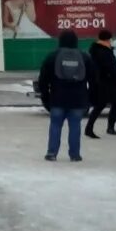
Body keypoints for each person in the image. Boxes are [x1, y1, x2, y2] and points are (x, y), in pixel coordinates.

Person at [37, 31, 96, 161]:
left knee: (55, 125)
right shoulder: (84, 57)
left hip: (57, 98)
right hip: (78, 99)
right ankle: (74, 155)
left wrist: (46, 97)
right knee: (75, 126)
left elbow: (43, 80)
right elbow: (93, 81)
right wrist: (89, 100)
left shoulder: (52, 56)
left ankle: (52, 153)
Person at [86, 30, 116, 140]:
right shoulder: (103, 51)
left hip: (104, 82)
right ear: (107, 39)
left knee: (100, 106)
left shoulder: (100, 50)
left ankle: (89, 129)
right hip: (108, 83)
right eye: (110, 39)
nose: (111, 41)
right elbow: (108, 68)